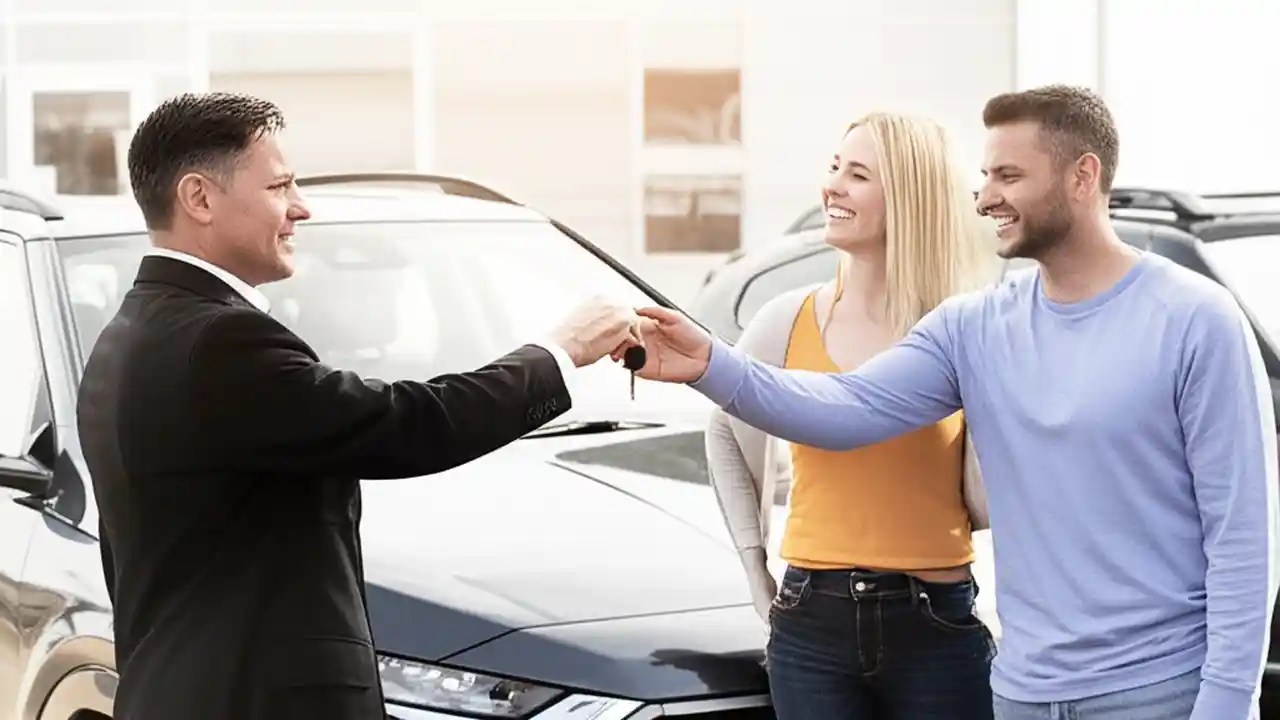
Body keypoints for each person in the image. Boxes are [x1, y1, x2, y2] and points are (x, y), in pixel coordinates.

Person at [630, 85, 1277, 720]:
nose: (986, 195)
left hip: (1158, 693)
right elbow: (843, 408)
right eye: (985, 175)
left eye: (1009, 175)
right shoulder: (972, 328)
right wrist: (709, 365)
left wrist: (1227, 700)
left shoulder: (1195, 319)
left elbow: (1243, 539)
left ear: (1083, 177)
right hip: (1023, 694)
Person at [76, 91, 641, 720]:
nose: (301, 208)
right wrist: (559, 352)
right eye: (280, 186)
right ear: (199, 198)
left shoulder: (124, 338)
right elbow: (407, 425)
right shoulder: (219, 343)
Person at [704, 111, 996, 719]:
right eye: (835, 168)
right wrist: (756, 571)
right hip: (811, 621)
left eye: (857, 174)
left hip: (936, 619)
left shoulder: (965, 329)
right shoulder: (786, 320)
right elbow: (725, 428)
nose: (831, 186)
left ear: (911, 198)